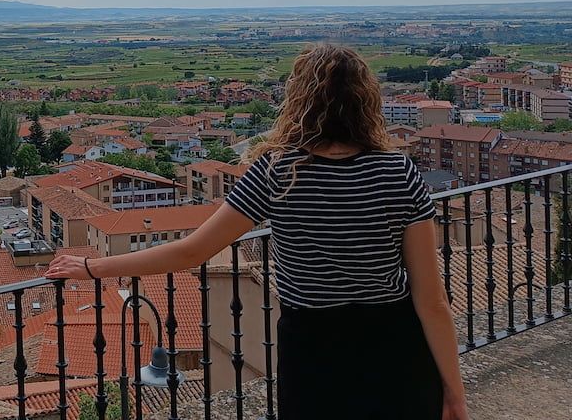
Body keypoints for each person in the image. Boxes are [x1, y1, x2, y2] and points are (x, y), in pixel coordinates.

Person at [45, 44, 469, 420]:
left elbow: (191, 252)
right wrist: (454, 392)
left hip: (314, 349)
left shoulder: (277, 172)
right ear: (367, 101)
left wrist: (91, 266)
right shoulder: (399, 172)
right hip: (397, 348)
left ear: (299, 100)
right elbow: (432, 301)